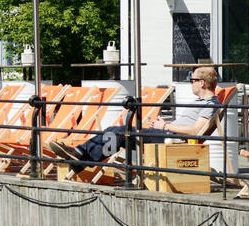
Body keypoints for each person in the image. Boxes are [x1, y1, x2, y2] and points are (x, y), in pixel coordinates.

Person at [52, 66, 221, 165]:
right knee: (116, 131)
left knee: (119, 132)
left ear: (202, 83)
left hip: (172, 139)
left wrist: (165, 126)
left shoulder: (211, 104)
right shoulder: (201, 102)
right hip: (167, 134)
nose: (190, 83)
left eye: (192, 80)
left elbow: (196, 131)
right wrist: (164, 124)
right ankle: (81, 155)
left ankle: (82, 157)